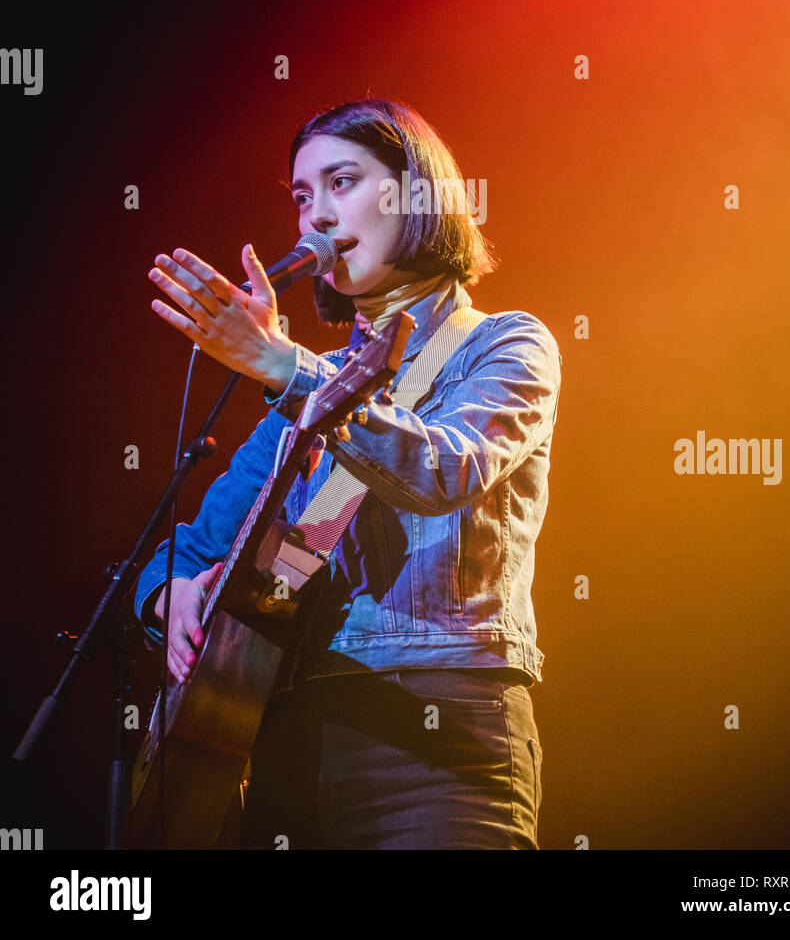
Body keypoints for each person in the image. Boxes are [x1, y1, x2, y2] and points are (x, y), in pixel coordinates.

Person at [134, 97, 562, 849]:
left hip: (435, 739)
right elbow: (191, 550)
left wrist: (282, 365)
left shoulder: (504, 345)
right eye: (302, 197)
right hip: (284, 741)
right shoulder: (307, 382)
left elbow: (442, 471)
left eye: (342, 182)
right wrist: (171, 597)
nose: (317, 216)